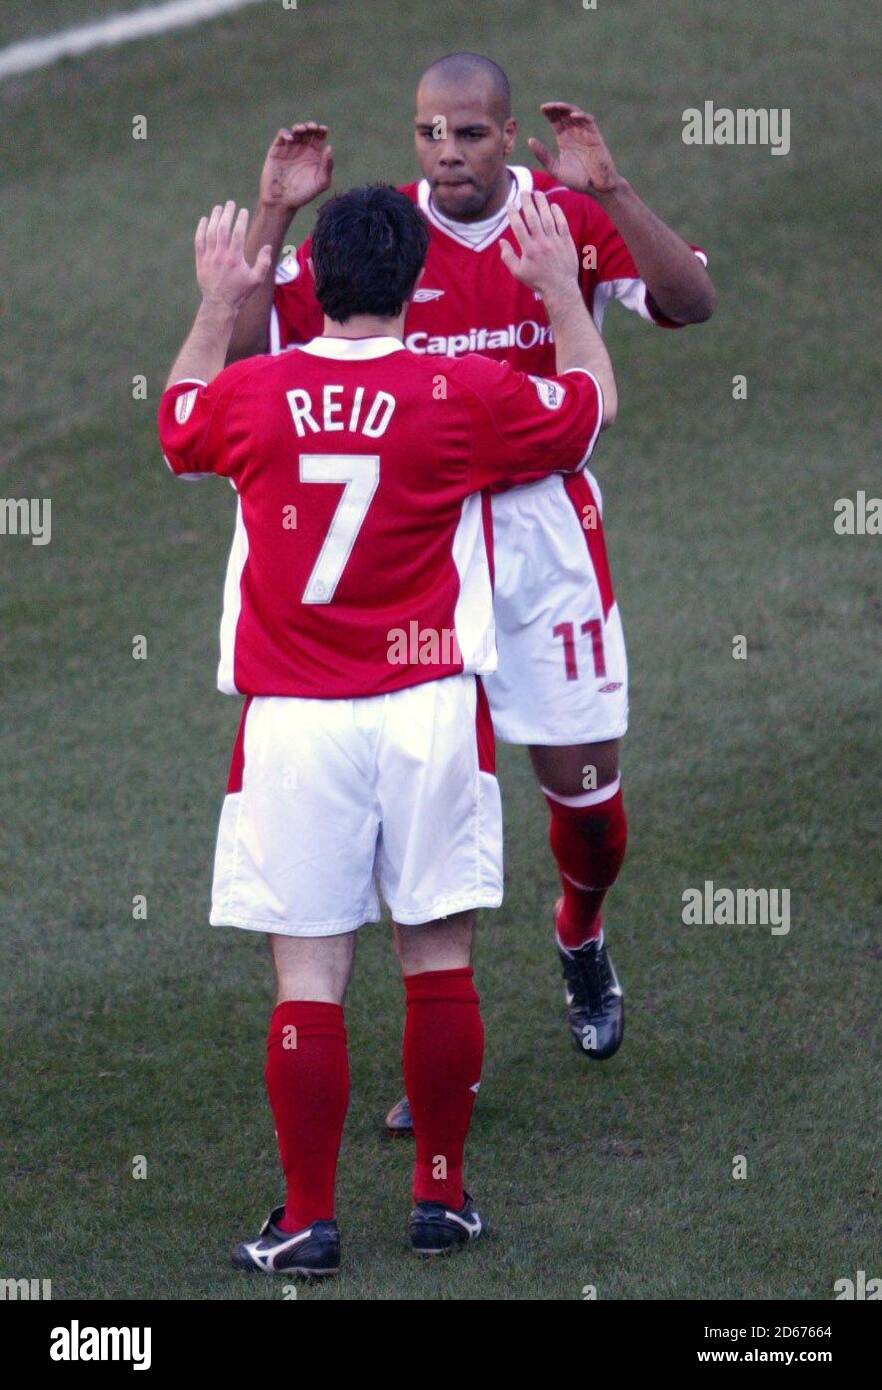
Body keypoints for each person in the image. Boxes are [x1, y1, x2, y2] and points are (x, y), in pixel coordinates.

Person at [226, 53, 715, 1136]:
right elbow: (258, 337)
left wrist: (612, 192)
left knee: (586, 806)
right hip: (427, 551)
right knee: (435, 811)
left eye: (471, 136)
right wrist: (270, 220)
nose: (447, 156)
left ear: (507, 137)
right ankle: (447, 1057)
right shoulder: (383, 238)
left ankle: (580, 932)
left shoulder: (562, 225)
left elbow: (692, 301)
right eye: (428, 134)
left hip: (545, 542)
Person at [158, 183, 617, 1274]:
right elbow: (591, 408)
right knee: (437, 953)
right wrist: (559, 290)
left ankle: (309, 1218)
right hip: (429, 714)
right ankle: (440, 1199)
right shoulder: (463, 390)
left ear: (314, 282)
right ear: (416, 281)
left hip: (294, 728)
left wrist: (218, 306)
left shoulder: (255, 394)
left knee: (309, 974)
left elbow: (176, 422)